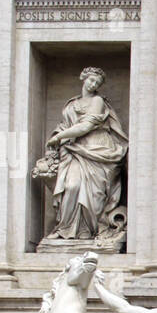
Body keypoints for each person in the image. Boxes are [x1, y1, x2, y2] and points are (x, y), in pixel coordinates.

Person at [36, 67, 128, 241]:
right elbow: (65, 125)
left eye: (97, 83)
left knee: (94, 193)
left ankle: (88, 231)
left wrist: (61, 137)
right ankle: (65, 229)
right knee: (71, 186)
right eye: (91, 80)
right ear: (83, 78)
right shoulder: (71, 104)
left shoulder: (98, 101)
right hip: (74, 150)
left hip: (96, 148)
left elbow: (86, 126)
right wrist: (57, 136)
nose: (93, 84)